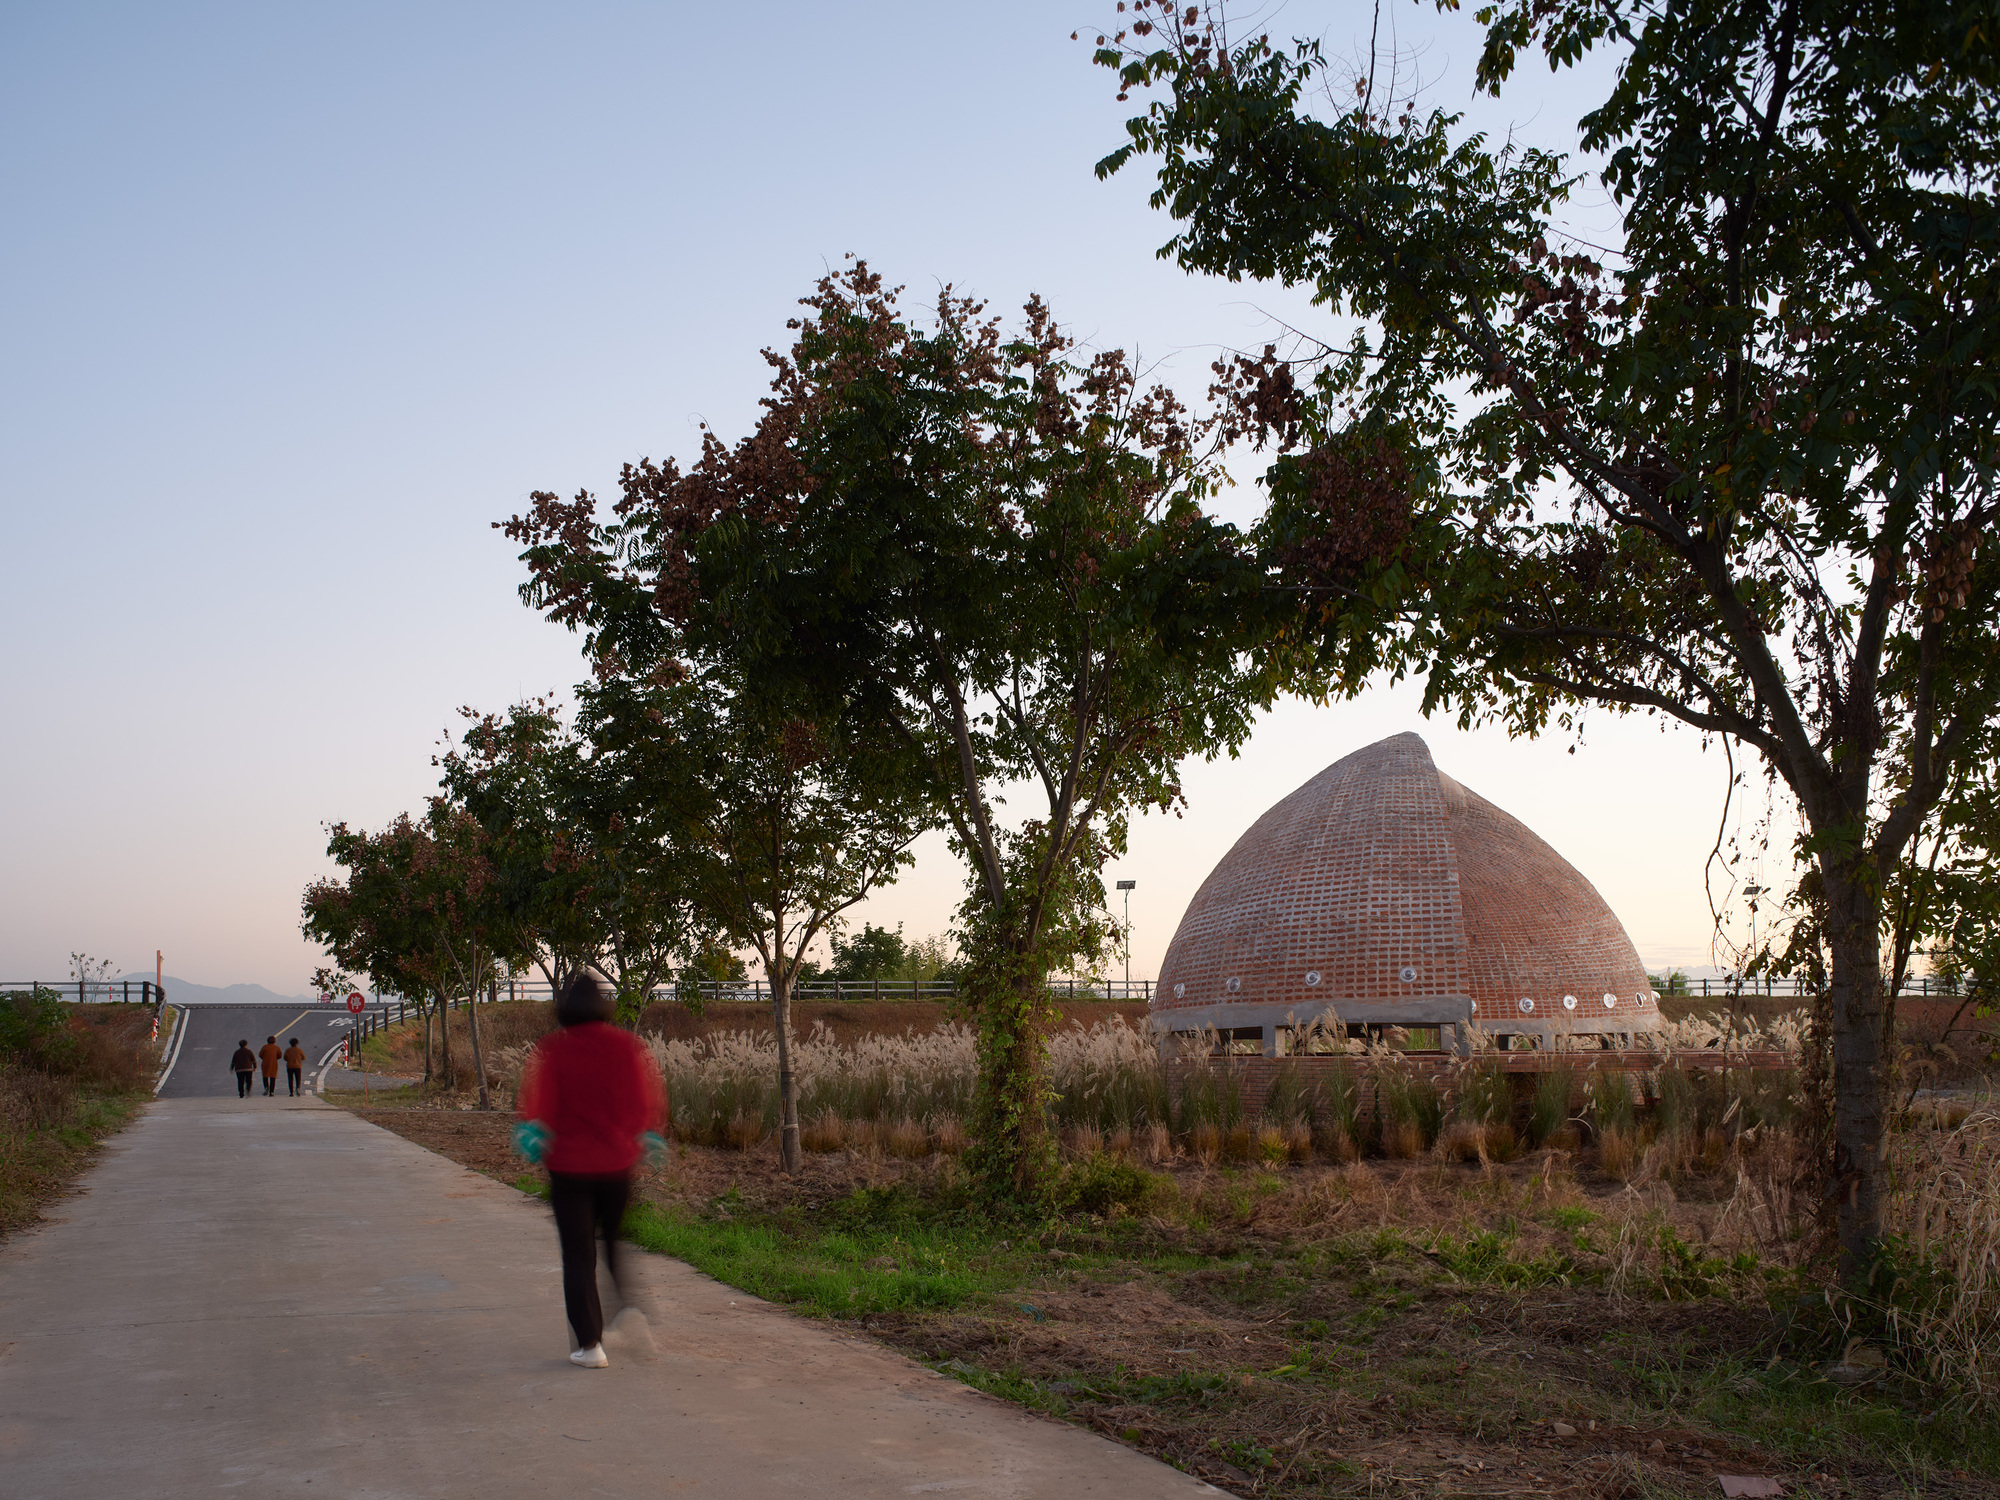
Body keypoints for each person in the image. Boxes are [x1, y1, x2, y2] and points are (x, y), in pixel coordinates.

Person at [515, 972, 667, 1369]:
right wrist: (647, 1137)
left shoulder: (554, 1050)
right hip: (617, 1167)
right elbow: (644, 1104)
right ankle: (628, 1311)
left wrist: (531, 1136)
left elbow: (540, 1108)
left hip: (569, 1170)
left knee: (579, 1256)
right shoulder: (626, 1047)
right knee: (613, 1244)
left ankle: (590, 1345)